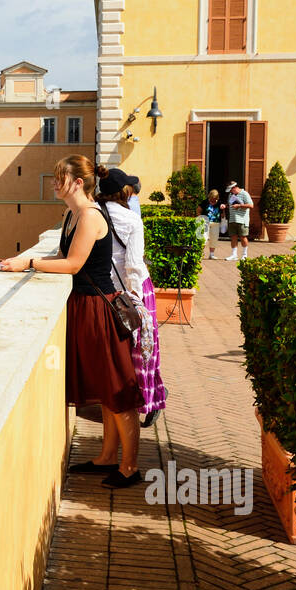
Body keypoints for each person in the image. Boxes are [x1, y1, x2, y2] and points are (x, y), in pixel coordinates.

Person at [0, 156, 143, 488]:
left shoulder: (90, 216)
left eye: (59, 177)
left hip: (99, 310)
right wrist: (23, 260)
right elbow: (63, 257)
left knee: (118, 389)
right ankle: (107, 457)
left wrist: (30, 262)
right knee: (107, 390)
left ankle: (130, 467)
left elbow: (75, 265)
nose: (53, 182)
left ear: (77, 183)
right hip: (85, 307)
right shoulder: (72, 214)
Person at [97, 168, 166, 429]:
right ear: (124, 191)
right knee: (143, 350)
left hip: (107, 292)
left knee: (120, 354)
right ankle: (147, 399)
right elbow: (134, 265)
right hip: (133, 291)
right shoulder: (130, 219)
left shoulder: (93, 214)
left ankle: (127, 401)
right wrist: (136, 299)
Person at [221, 181, 253, 262]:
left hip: (242, 220)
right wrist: (225, 206)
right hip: (232, 219)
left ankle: (245, 255)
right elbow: (230, 204)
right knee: (233, 237)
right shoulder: (231, 195)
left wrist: (239, 205)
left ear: (234, 187)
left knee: (243, 237)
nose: (230, 192)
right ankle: (234, 255)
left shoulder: (245, 194)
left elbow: (251, 205)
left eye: (231, 190)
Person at [201, 189, 221, 259]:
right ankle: (200, 253)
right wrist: (200, 219)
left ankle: (211, 254)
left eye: (216, 198)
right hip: (205, 222)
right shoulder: (205, 202)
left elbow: (222, 211)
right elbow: (198, 210)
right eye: (213, 198)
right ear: (210, 196)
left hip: (216, 222)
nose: (214, 200)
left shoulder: (219, 203)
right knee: (203, 238)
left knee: (214, 238)